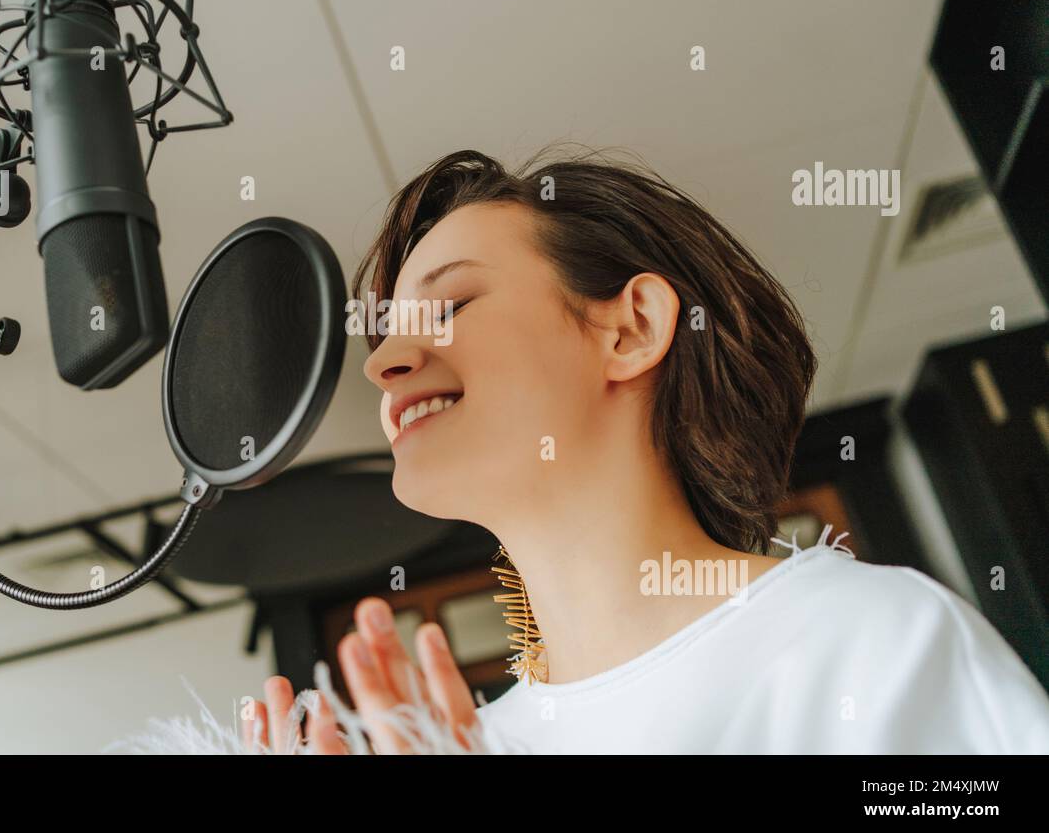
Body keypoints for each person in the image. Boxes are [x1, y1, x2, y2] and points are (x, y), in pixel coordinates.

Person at [239, 146, 1049, 754]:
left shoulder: (874, 644)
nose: (382, 365)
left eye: (448, 305)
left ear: (631, 329)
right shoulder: (477, 746)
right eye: (384, 338)